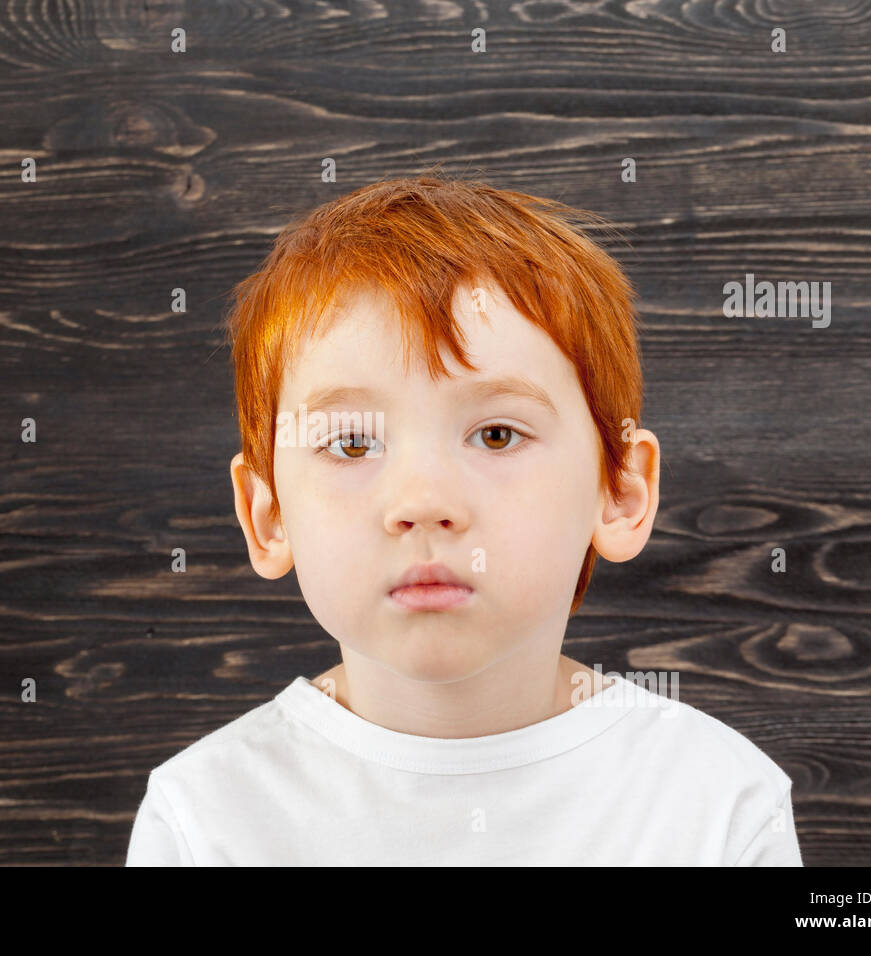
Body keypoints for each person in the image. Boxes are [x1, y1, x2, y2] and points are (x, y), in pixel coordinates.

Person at [125, 173, 802, 865]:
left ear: (621, 492)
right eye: (353, 443)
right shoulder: (204, 821)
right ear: (266, 514)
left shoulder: (718, 806)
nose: (423, 502)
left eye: (498, 435)